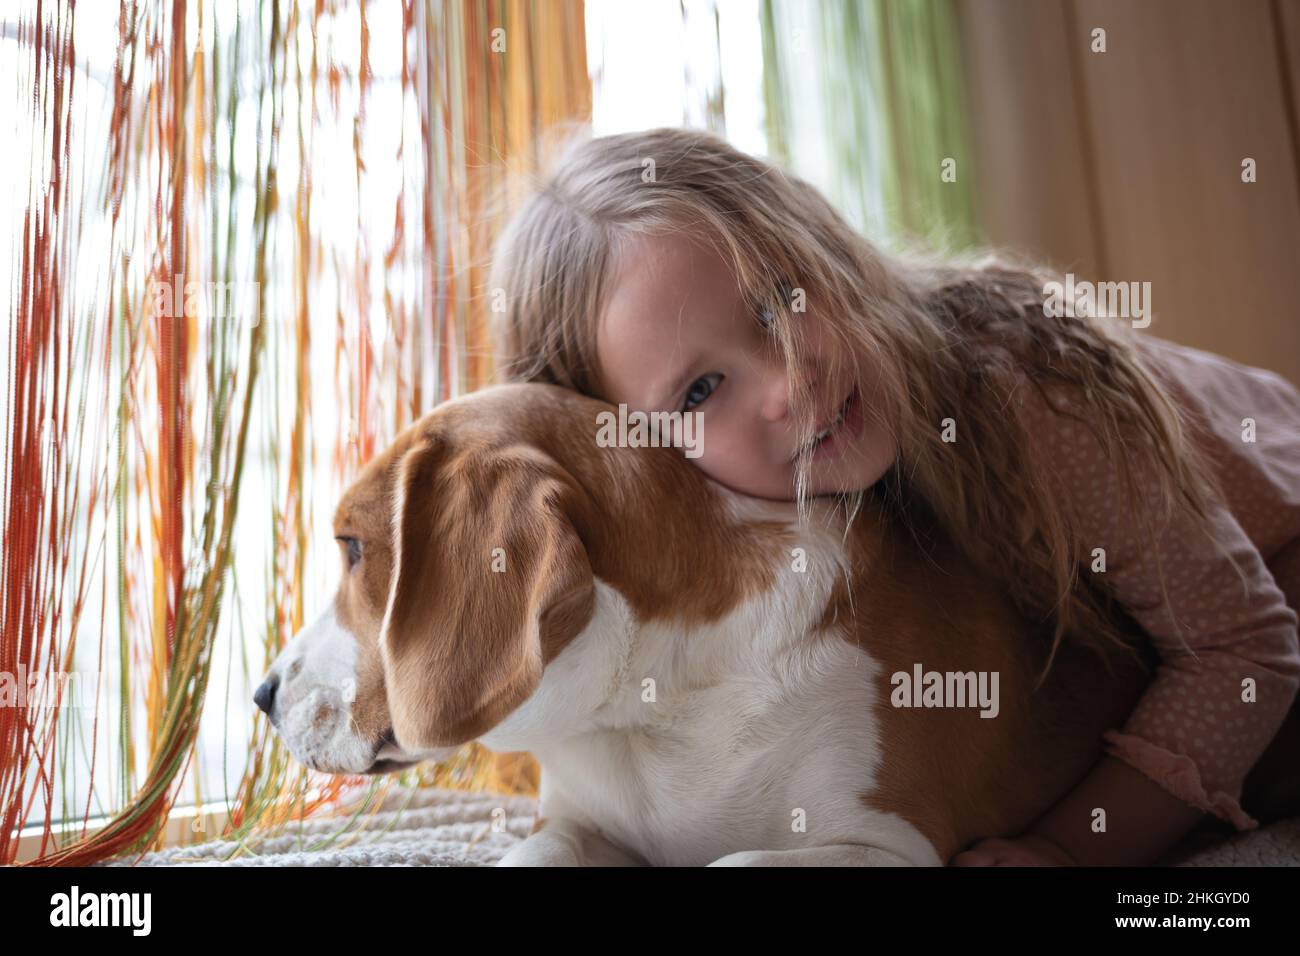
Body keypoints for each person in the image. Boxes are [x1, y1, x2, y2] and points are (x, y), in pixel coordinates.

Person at [486, 125, 1300, 866]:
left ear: (824, 246)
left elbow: (1245, 652)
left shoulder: (1026, 392)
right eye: (700, 390)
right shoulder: (769, 523)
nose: (787, 384)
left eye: (779, 303)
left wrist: (1066, 849)